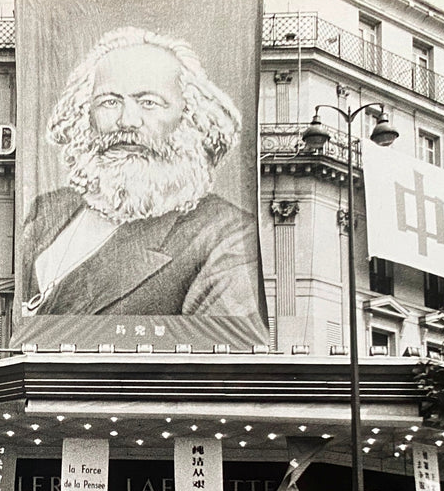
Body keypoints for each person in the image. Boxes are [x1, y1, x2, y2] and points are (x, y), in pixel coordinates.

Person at [17, 26, 264, 341]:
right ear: (85, 115)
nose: (127, 120)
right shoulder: (45, 211)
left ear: (190, 117)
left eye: (149, 102)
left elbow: (219, 358)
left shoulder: (226, 235)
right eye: (109, 102)